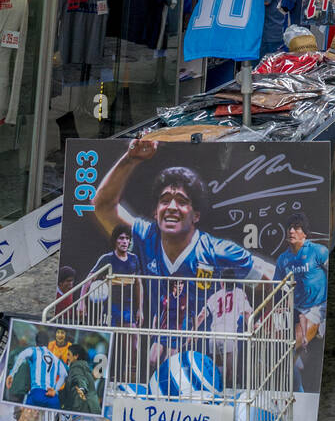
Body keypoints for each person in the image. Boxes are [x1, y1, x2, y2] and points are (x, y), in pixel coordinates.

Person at [92, 138, 274, 326]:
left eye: (181, 201)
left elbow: (273, 276)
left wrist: (267, 317)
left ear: (195, 215)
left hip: (205, 352)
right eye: (165, 200)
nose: (172, 207)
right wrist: (130, 159)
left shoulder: (218, 251)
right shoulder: (147, 236)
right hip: (159, 350)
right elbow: (103, 206)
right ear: (155, 212)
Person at [273, 214, 328, 392]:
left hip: (317, 308)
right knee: (284, 358)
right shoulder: (283, 260)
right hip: (295, 311)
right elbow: (276, 290)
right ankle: (299, 394)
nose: (291, 231)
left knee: (289, 349)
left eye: (296, 227)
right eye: (289, 227)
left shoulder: (318, 252)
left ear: (305, 233)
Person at [79, 223, 143, 329]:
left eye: (127, 238)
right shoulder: (106, 259)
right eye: (121, 238)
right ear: (115, 240)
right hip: (109, 308)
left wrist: (140, 309)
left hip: (127, 308)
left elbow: (139, 284)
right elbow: (89, 280)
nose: (125, 241)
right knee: (109, 341)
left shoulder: (134, 259)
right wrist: (81, 302)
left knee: (134, 343)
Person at [5, 336, 68, 409]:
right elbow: (64, 374)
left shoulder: (33, 350)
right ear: (48, 344)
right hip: (52, 397)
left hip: (37, 392)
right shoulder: (56, 358)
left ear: (36, 343)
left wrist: (12, 374)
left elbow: (22, 355)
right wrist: (55, 390)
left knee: (25, 417)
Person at [59, 343, 101, 414]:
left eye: (69, 354)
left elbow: (80, 380)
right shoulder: (83, 367)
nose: (67, 357)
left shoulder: (76, 368)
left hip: (85, 412)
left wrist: (82, 389)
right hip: (92, 410)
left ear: (76, 356)